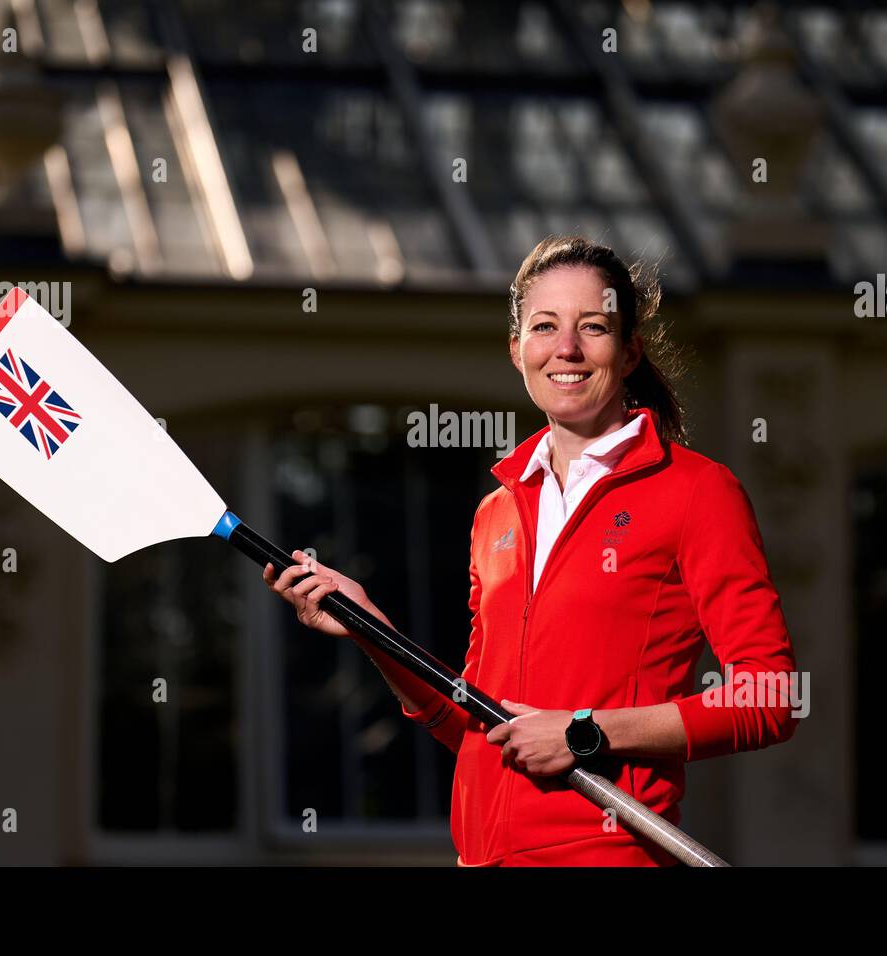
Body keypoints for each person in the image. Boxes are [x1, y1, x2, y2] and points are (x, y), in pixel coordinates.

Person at [263, 234, 800, 866]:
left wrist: (584, 733)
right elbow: (469, 724)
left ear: (629, 352)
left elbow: (769, 696)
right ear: (517, 350)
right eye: (545, 327)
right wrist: (368, 626)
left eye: (592, 327)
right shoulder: (497, 511)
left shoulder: (696, 491)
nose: (566, 348)